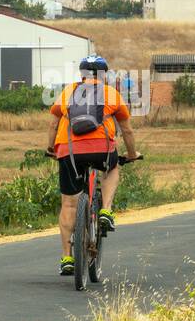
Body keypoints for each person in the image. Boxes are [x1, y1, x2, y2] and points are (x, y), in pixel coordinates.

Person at [45, 55, 139, 276]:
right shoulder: (111, 94)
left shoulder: (68, 92)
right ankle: (105, 210)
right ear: (104, 75)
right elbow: (127, 130)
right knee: (112, 168)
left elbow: (53, 123)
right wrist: (132, 154)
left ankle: (67, 257)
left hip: (68, 150)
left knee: (69, 204)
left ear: (81, 74)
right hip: (101, 149)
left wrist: (51, 149)